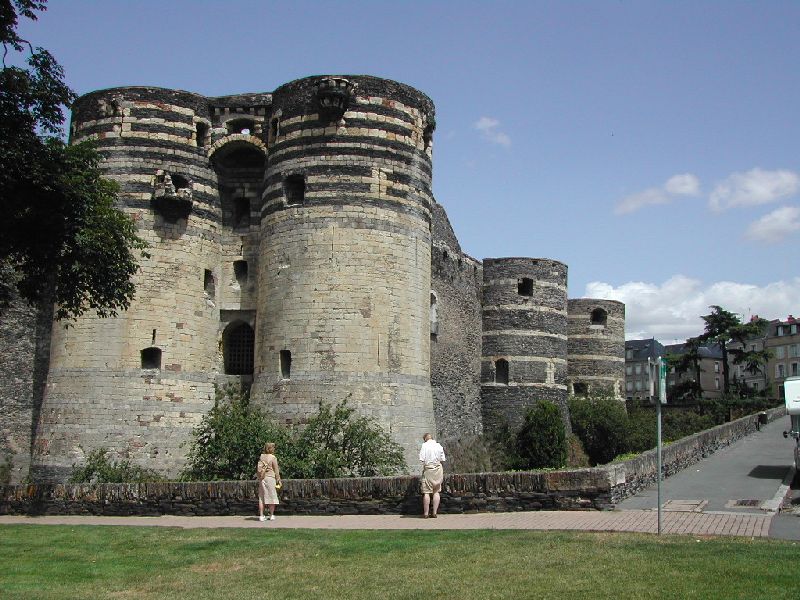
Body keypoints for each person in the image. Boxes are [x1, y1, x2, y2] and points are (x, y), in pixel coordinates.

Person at [419, 432, 445, 518]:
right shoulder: (439, 445)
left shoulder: (424, 446)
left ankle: (426, 513)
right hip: (438, 469)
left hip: (428, 469)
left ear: (425, 439)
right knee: (436, 491)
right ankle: (434, 512)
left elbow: (422, 459)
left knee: (426, 492)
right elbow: (442, 458)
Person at [257, 442, 282, 522]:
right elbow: (276, 470)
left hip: (262, 478)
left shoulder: (261, 457)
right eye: (273, 448)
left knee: (261, 497)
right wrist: (278, 480)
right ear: (270, 449)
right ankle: (271, 515)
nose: (274, 449)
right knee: (272, 496)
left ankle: (261, 516)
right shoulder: (273, 457)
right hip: (270, 478)